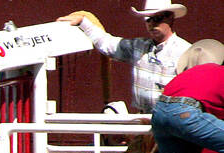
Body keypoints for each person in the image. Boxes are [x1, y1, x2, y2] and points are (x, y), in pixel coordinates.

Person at [57, 4, 191, 115]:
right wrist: (83, 21)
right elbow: (107, 44)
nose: (152, 24)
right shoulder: (139, 47)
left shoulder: (186, 52)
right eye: (148, 19)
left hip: (172, 121)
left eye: (158, 18)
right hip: (144, 120)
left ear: (170, 18)